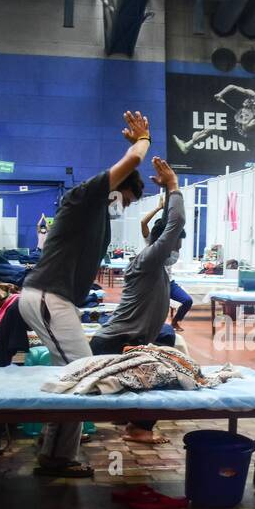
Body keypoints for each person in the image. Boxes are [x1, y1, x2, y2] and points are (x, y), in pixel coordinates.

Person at [18, 110, 151, 478]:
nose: (121, 207)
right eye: (124, 199)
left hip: (55, 298)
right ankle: (57, 457)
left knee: (73, 373)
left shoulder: (99, 217)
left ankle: (54, 453)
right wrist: (143, 140)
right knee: (83, 372)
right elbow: (134, 159)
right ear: (116, 188)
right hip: (47, 296)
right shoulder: (87, 195)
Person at [90, 157, 185, 444]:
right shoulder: (150, 258)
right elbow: (176, 221)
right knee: (166, 372)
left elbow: (171, 222)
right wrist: (173, 185)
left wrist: (168, 195)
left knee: (165, 348)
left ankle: (133, 421)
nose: (177, 249)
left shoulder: (156, 263)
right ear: (164, 243)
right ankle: (139, 426)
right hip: (116, 342)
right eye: (176, 243)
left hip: (127, 339)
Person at [139, 192, 193, 332]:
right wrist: (158, 208)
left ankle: (175, 322)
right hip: (154, 284)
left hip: (169, 283)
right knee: (155, 310)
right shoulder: (151, 243)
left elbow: (177, 235)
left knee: (187, 300)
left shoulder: (173, 245)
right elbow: (143, 222)